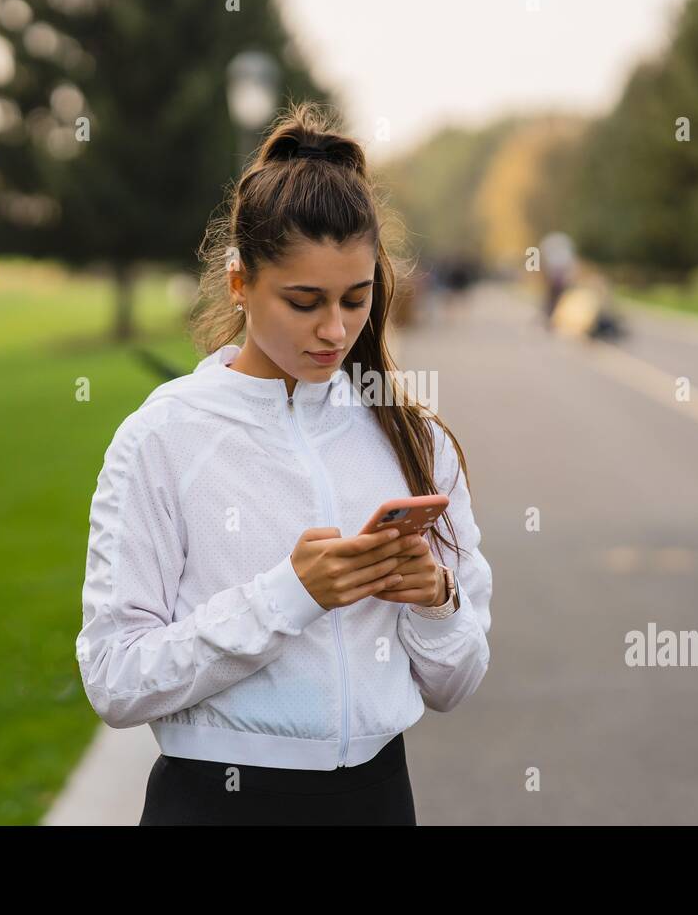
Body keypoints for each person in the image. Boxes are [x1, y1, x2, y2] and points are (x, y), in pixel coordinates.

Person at [76, 102, 493, 826]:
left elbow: (456, 683)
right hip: (216, 805)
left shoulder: (412, 439)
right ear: (240, 283)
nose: (335, 330)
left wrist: (434, 599)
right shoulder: (163, 438)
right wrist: (290, 595)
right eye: (304, 302)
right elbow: (115, 677)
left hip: (376, 800)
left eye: (355, 299)